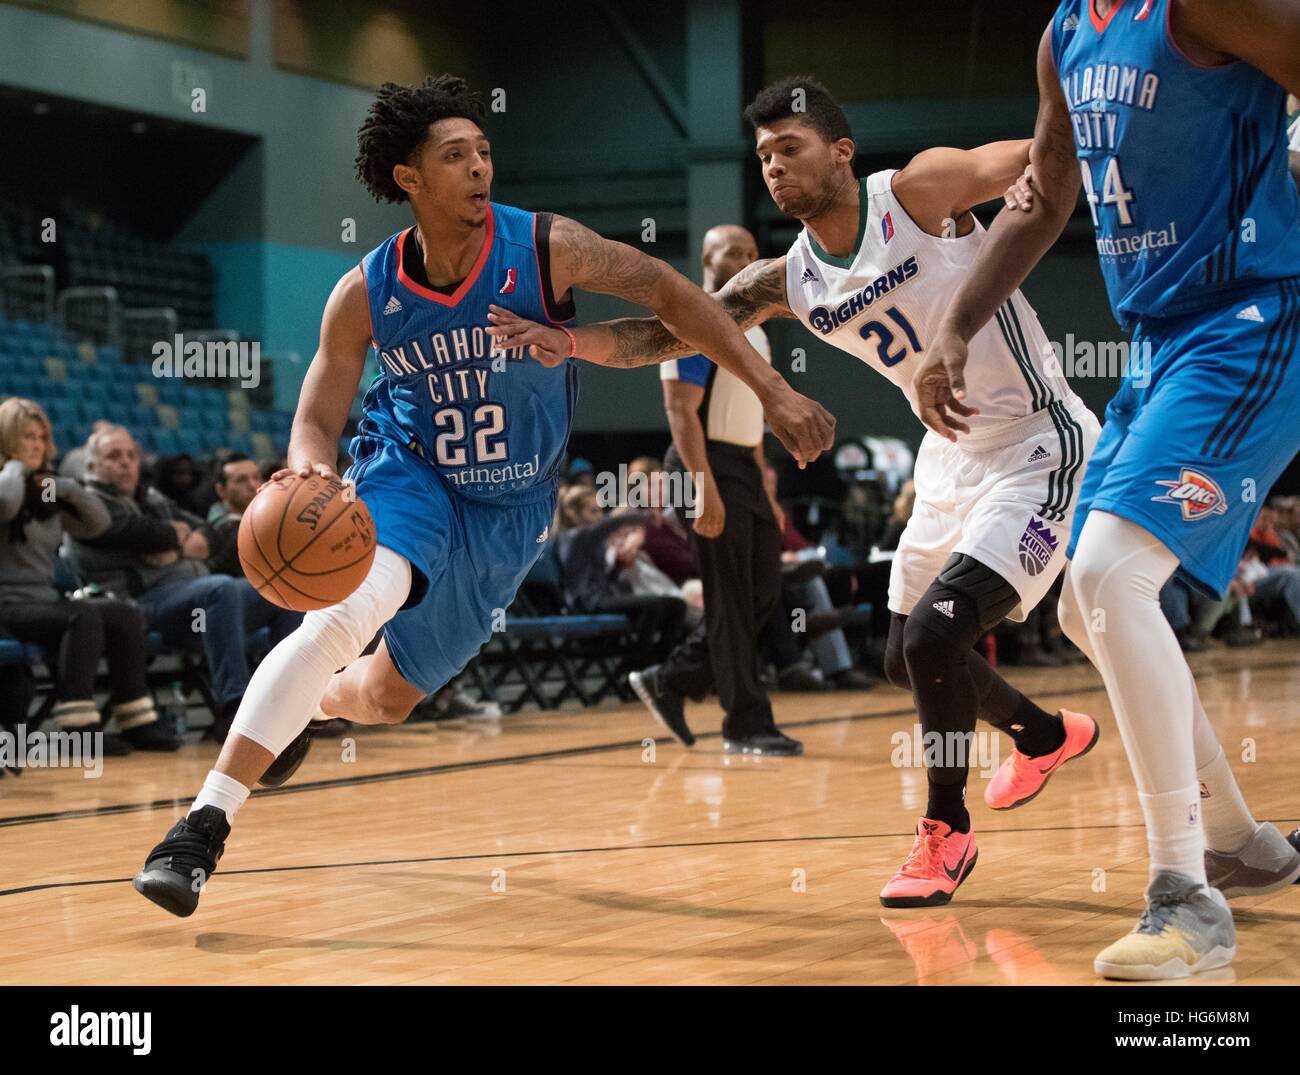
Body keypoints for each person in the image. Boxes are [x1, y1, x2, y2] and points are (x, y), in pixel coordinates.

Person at [131, 73, 834, 918]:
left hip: (509, 511)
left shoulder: (545, 249)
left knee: (385, 699)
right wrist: (311, 467)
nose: (479, 168)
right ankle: (202, 826)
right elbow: (317, 414)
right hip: (408, 472)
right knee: (351, 610)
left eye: (485, 152)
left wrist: (773, 386)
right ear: (409, 178)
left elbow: (673, 296)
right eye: (455, 155)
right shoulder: (365, 291)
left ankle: (309, 706)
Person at [490, 76, 1103, 906]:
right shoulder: (788, 281)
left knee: (932, 640)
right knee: (903, 657)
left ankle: (946, 832)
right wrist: (566, 341)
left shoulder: (917, 193)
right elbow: (661, 334)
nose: (774, 167)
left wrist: (1093, 130)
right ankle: (1041, 734)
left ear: (841, 153)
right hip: (950, 456)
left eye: (791, 149)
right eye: (765, 156)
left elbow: (1035, 158)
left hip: (1038, 441)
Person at [917, 0, 1300, 979]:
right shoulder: (1065, 34)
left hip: (1252, 319)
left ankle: (1186, 897)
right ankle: (1235, 840)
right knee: (1087, 603)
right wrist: (957, 323)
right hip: (1162, 343)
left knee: (1109, 571)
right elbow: (1044, 198)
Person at [627, 223, 803, 755]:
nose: (748, 259)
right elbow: (680, 411)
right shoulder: (693, 317)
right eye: (734, 251)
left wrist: (767, 492)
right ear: (707, 258)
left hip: (743, 466)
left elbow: (752, 416)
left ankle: (673, 678)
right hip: (702, 463)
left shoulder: (758, 326)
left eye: (753, 251)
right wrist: (703, 489)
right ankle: (746, 723)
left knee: (764, 592)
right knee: (728, 599)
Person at [0, 399, 176, 752]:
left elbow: (98, 523)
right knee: (81, 616)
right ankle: (77, 730)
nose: (34, 444)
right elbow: (6, 503)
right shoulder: (7, 484)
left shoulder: (43, 494)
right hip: (7, 606)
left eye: (39, 437)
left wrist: (61, 487)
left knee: (123, 615)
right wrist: (16, 468)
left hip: (42, 603)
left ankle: (136, 719)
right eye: (24, 437)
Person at [71, 426, 264, 742]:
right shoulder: (88, 505)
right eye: (114, 456)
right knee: (221, 589)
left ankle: (298, 707)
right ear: (91, 467)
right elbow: (140, 533)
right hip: (137, 605)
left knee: (279, 593)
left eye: (131, 455)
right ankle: (237, 712)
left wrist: (175, 549)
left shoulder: (150, 496)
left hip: (193, 600)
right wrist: (176, 535)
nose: (125, 462)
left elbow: (205, 528)